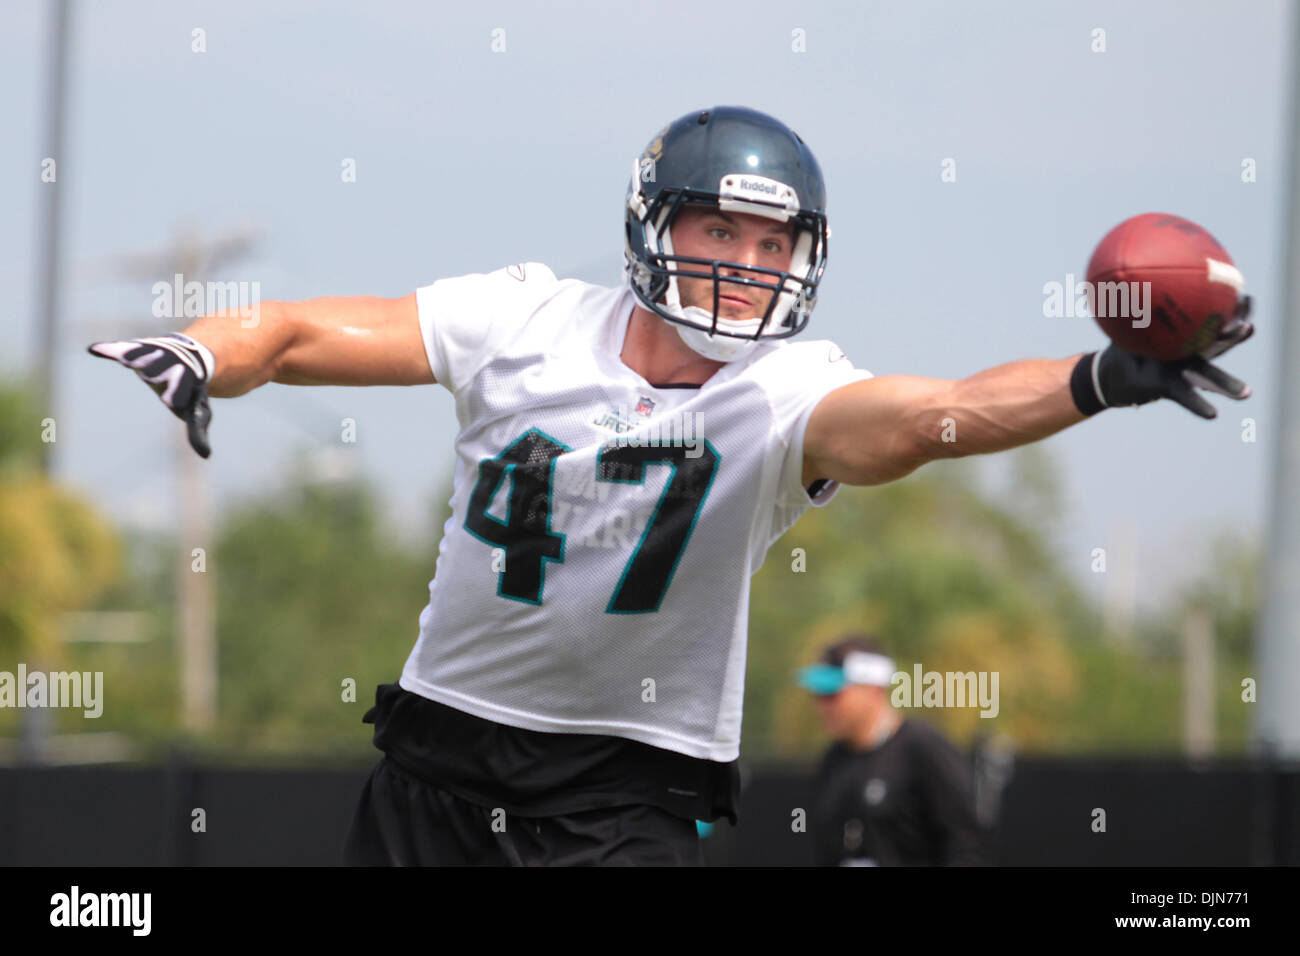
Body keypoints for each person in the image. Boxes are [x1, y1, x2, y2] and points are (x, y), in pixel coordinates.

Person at [87, 105, 1253, 866]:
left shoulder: (785, 393)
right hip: (439, 761)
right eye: (722, 230)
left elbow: (928, 419)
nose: (747, 269)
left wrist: (1095, 376)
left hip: (624, 791)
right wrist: (204, 354)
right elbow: (292, 331)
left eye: (773, 246)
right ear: (653, 224)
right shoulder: (523, 318)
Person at [799, 635, 986, 866]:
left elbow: (964, 843)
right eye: (818, 695)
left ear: (873, 689)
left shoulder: (923, 748)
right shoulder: (833, 760)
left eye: (832, 694)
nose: (822, 706)